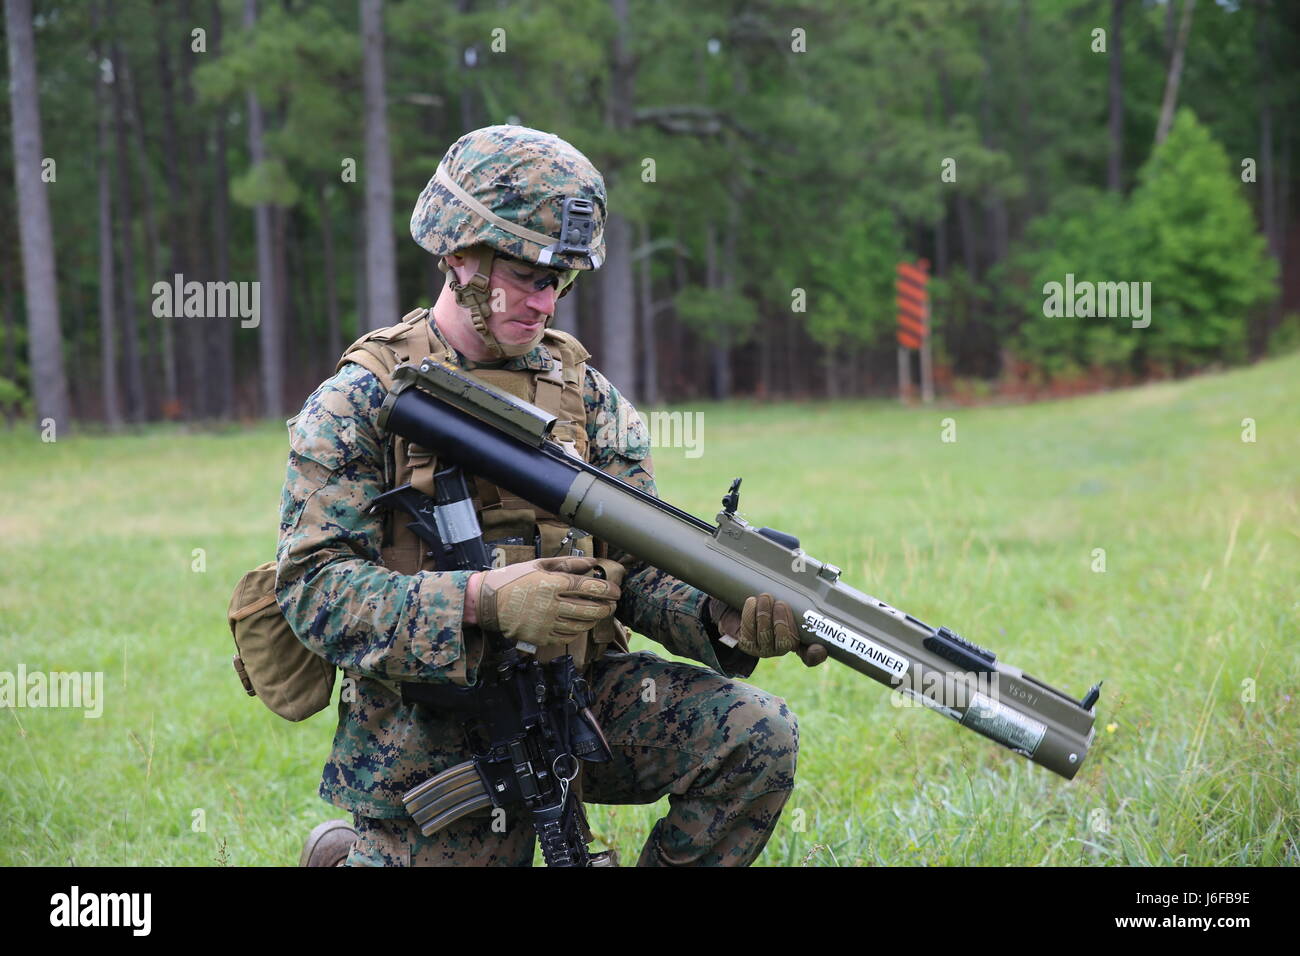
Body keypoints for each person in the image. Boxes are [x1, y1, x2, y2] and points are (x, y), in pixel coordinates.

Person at [279, 124, 826, 868]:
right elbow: (314, 591)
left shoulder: (588, 400)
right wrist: (482, 602)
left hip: (576, 699)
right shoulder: (359, 401)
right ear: (459, 254)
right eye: (530, 274)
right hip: (426, 736)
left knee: (755, 736)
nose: (546, 303)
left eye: (562, 281)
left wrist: (721, 614)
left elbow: (640, 568)